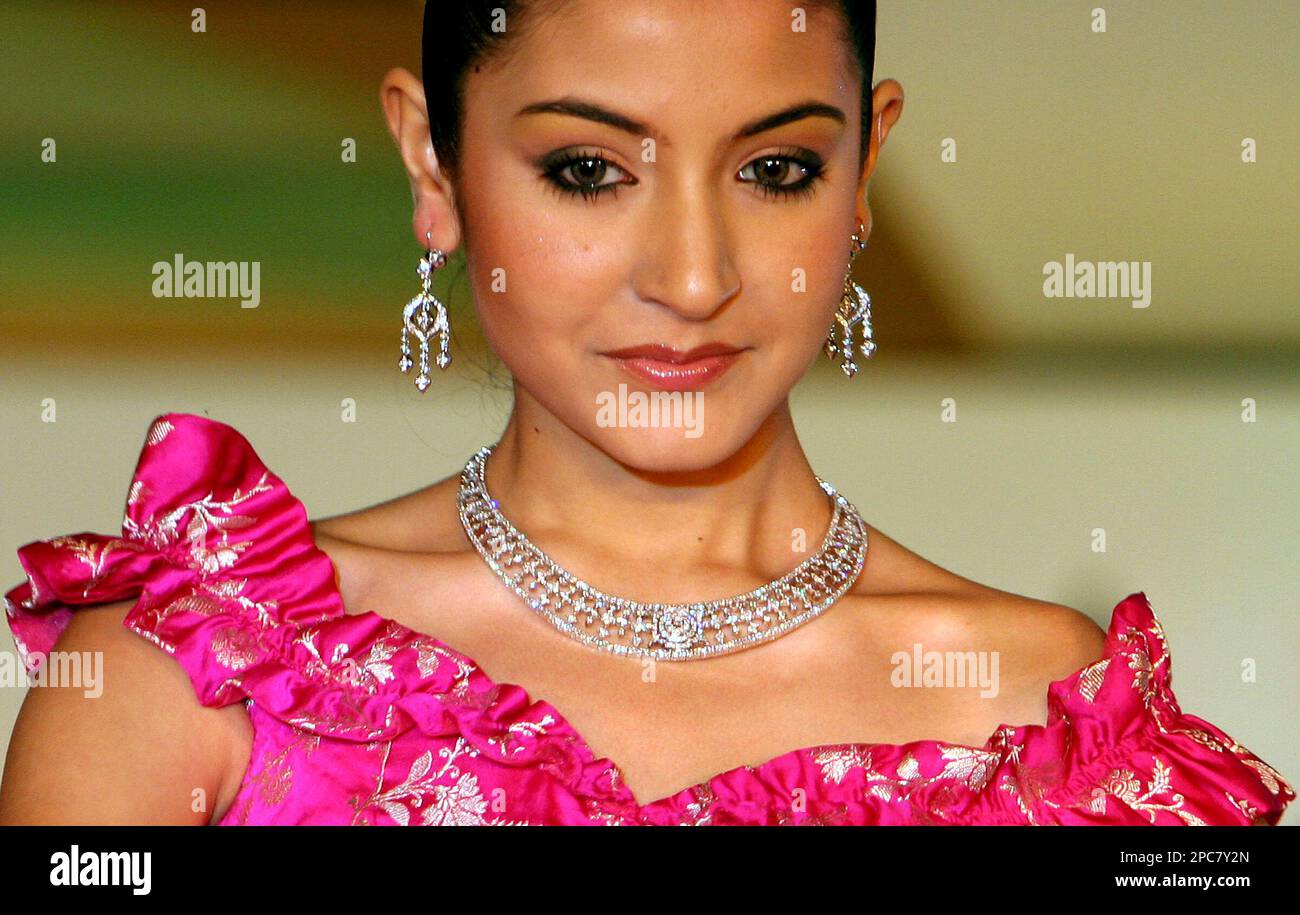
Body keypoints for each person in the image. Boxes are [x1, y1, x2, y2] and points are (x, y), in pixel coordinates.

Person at [0, 0, 1291, 825]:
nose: (691, 277)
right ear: (430, 164)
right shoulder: (185, 672)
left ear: (864, 176)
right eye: (587, 171)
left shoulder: (1053, 727)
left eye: (776, 169)